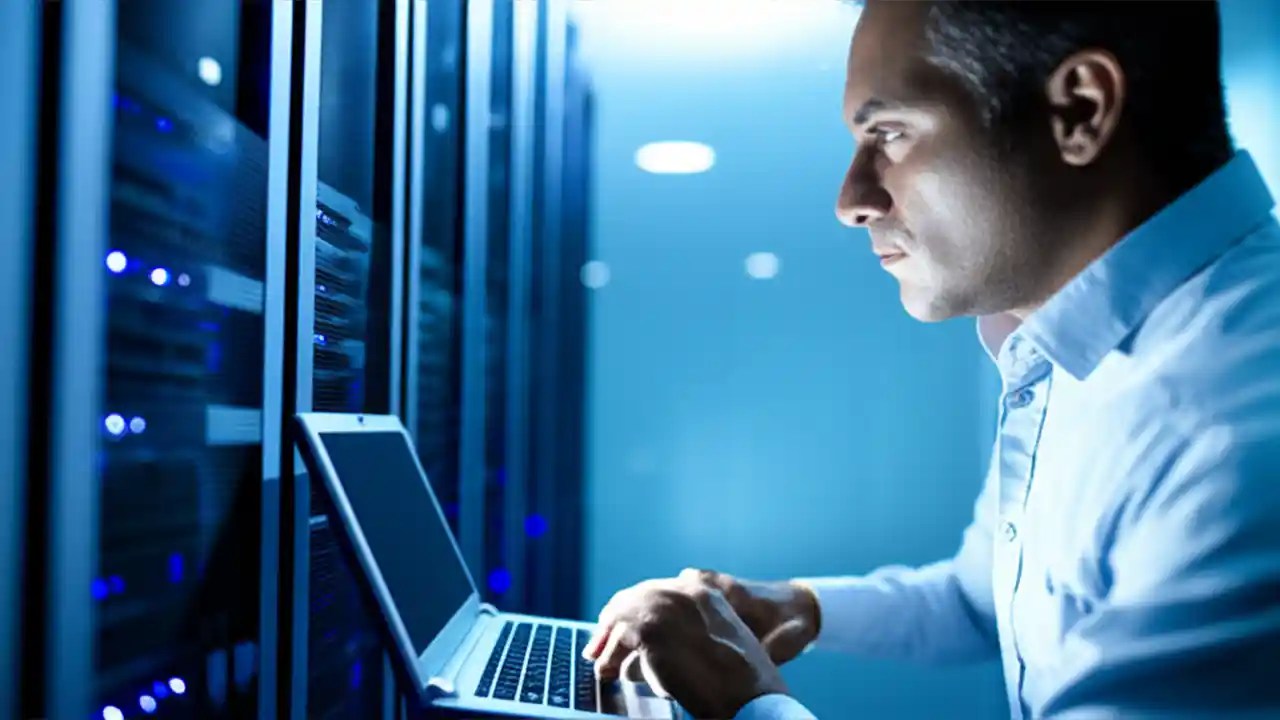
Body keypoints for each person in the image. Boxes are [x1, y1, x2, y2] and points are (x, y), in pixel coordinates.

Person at [581, 1, 1280, 718]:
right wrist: (798, 606)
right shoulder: (1073, 345)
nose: (851, 200)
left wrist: (747, 705)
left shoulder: (1232, 434)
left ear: (1079, 110)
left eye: (889, 133)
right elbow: (982, 599)